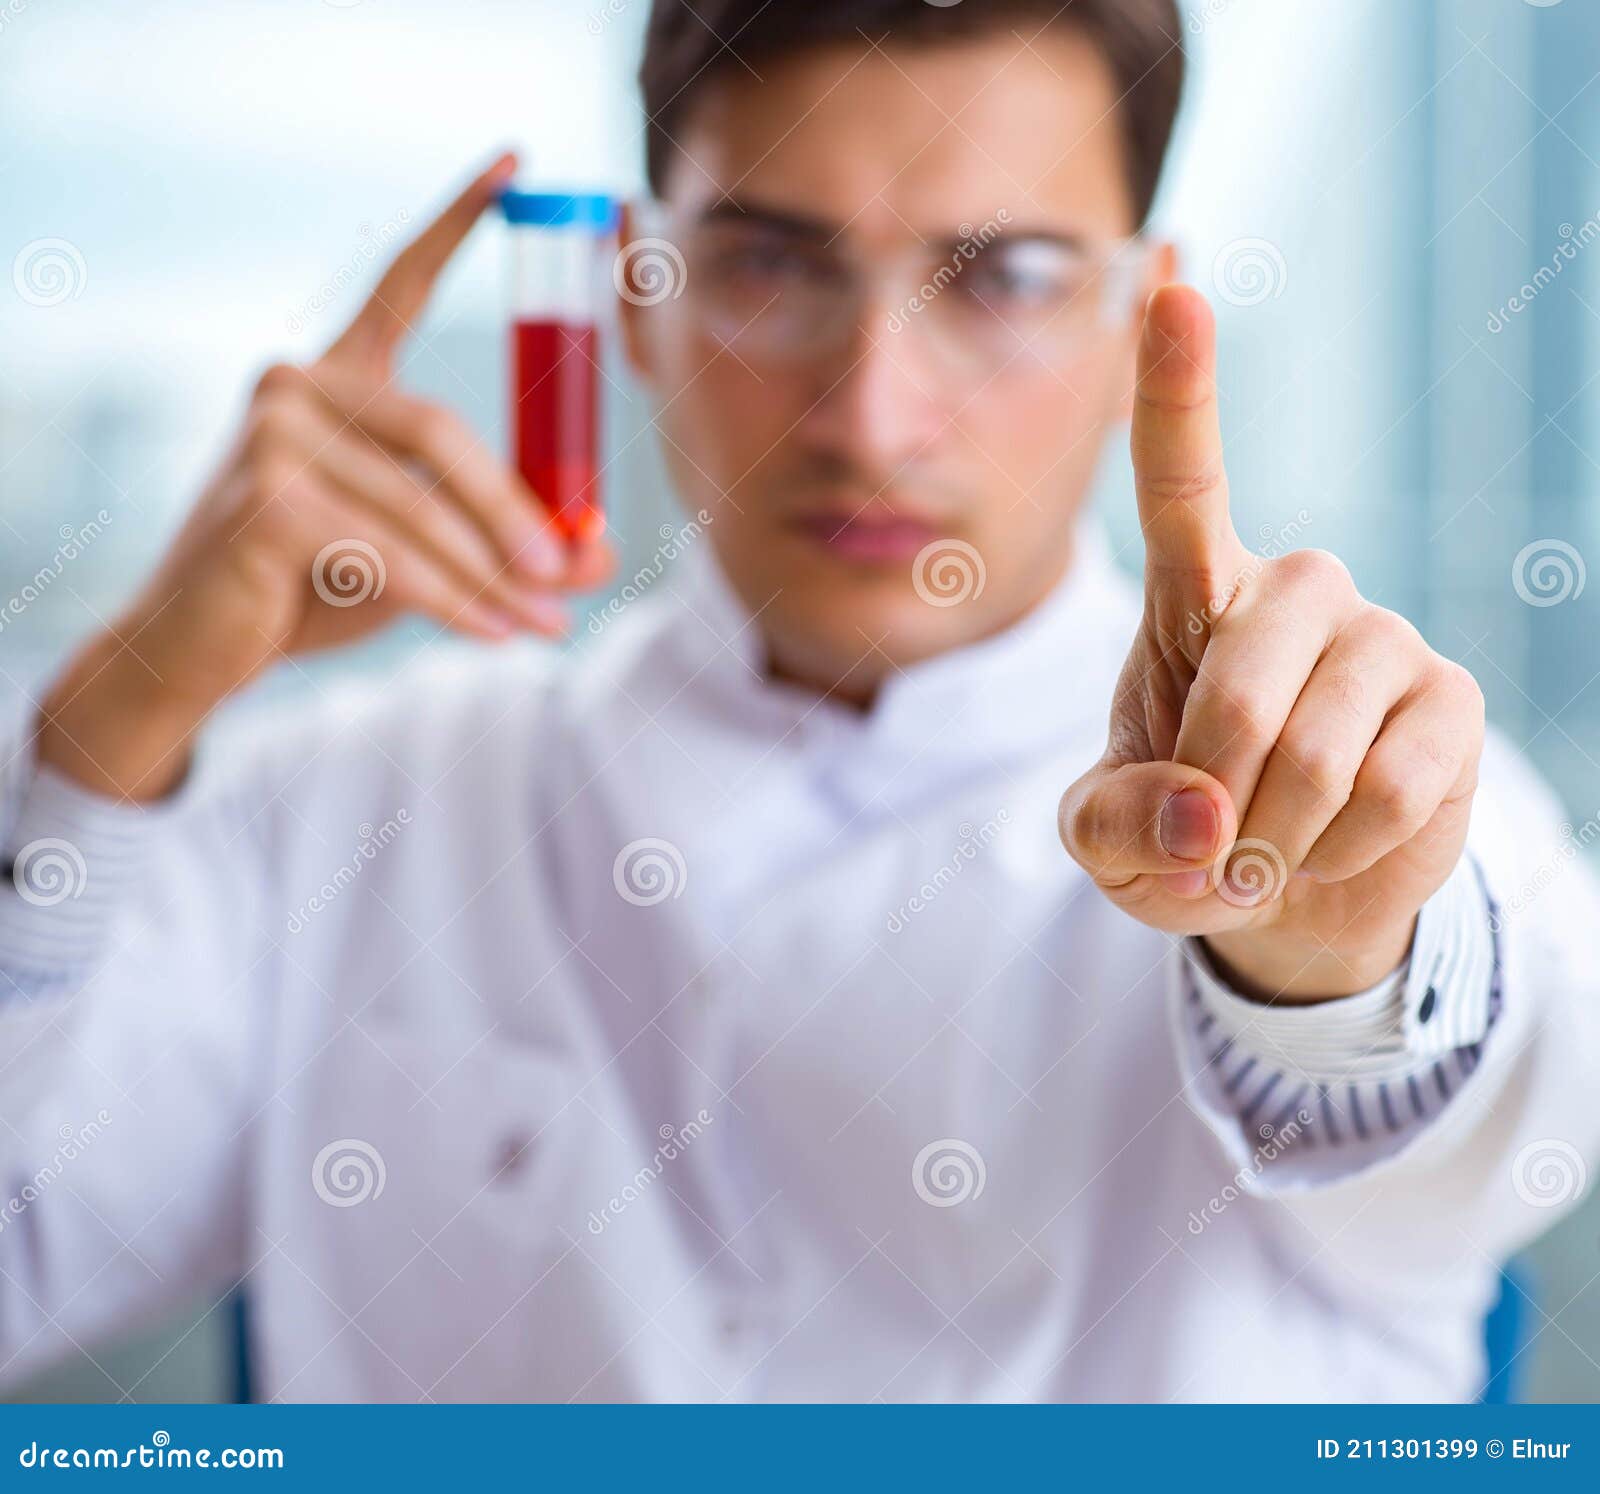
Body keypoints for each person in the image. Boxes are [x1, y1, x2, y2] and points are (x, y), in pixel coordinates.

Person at [1, 0, 1594, 1403]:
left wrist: (1319, 972)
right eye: (769, 263)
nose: (871, 415)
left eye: (1005, 278)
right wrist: (111, 718)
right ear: (639, 298)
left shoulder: (1375, 793)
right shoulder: (357, 804)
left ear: (1139, 323)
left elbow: (1480, 1132)